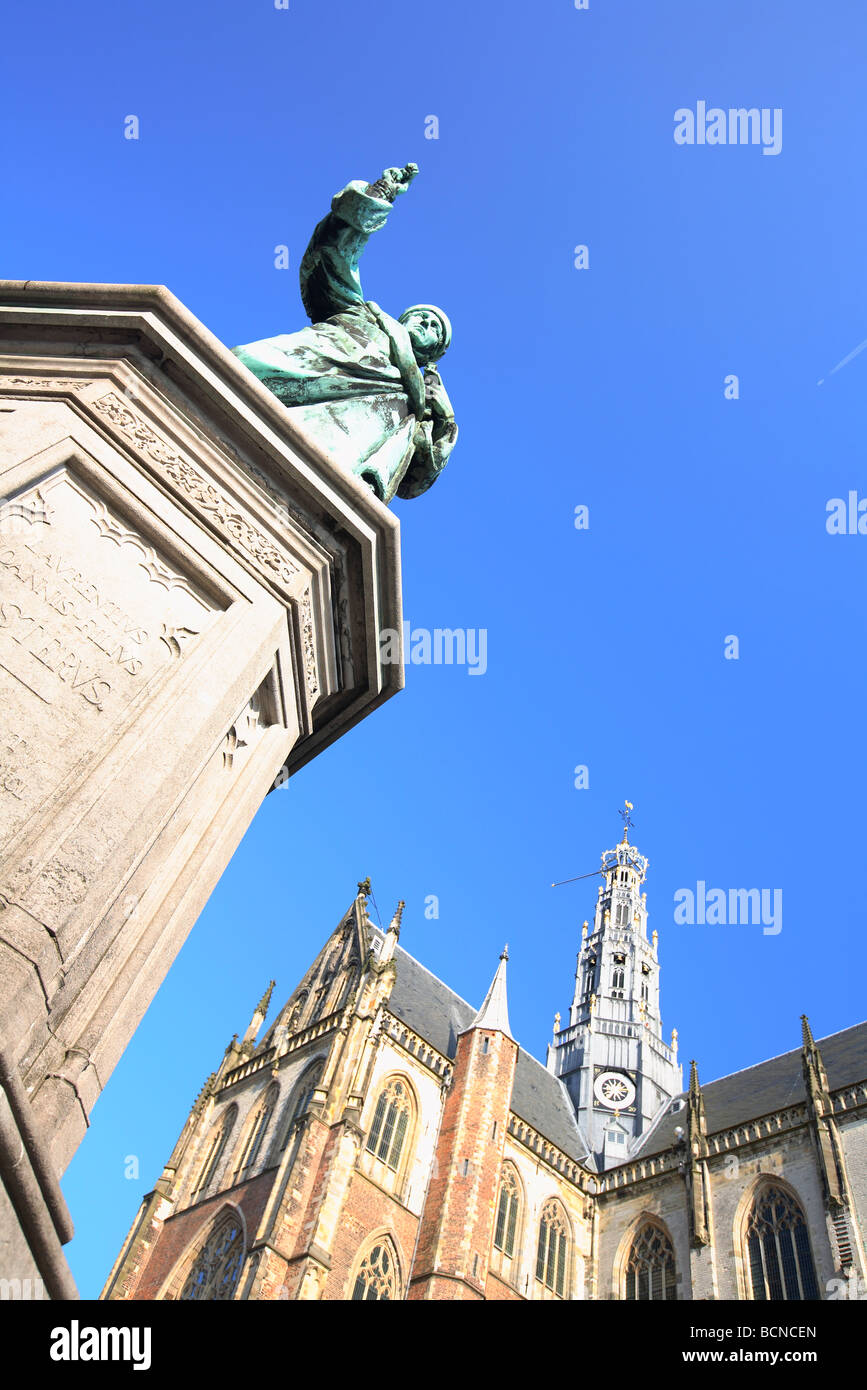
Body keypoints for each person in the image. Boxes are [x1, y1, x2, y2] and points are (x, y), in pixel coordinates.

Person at [232, 165, 458, 504]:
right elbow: (334, 258)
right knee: (229, 372)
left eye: (434, 329)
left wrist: (443, 421)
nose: (425, 325)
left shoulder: (420, 406)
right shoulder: (364, 314)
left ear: (432, 355)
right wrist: (376, 197)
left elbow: (413, 482)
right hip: (289, 376)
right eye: (422, 318)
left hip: (337, 463)